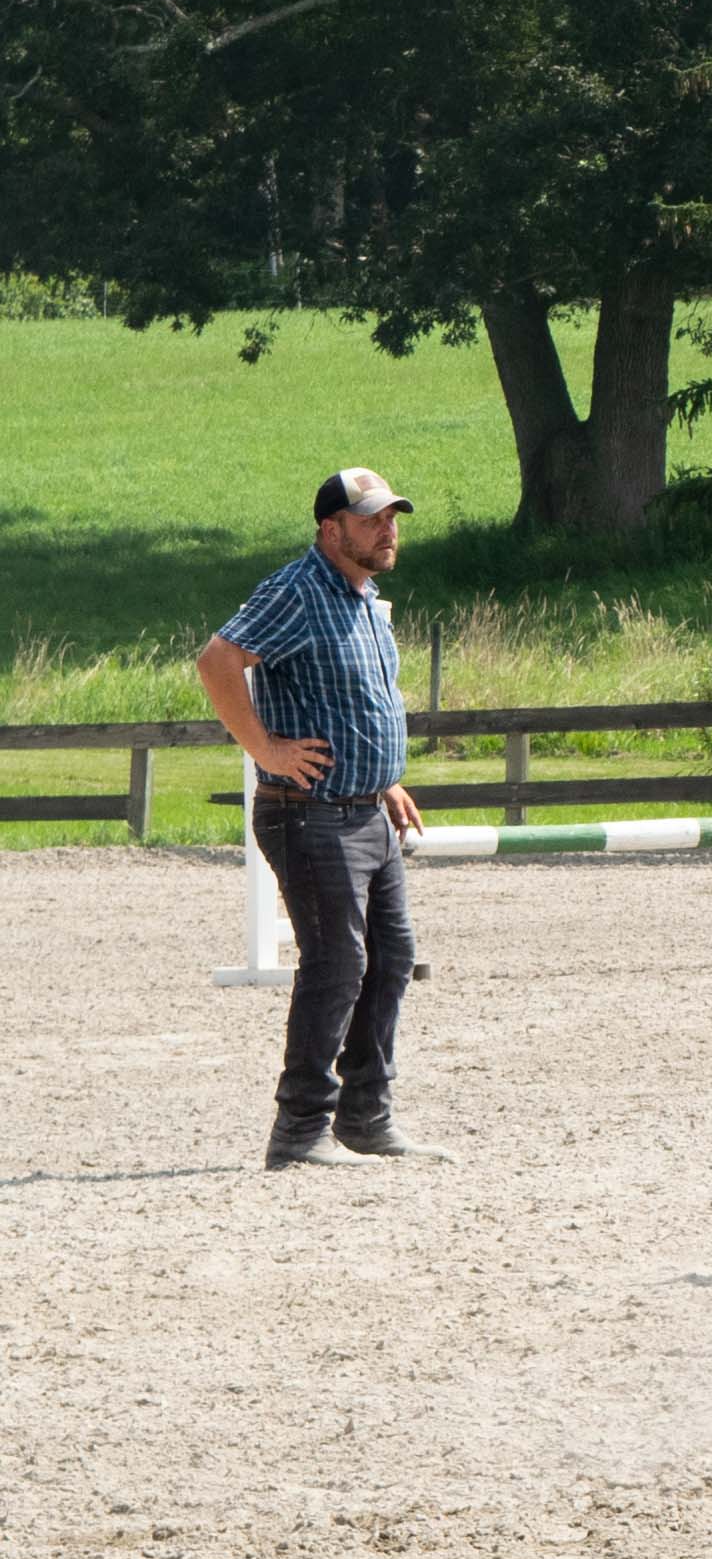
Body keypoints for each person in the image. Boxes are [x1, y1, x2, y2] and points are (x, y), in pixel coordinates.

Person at [196, 468, 440, 1168]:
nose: (388, 530)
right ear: (330, 530)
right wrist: (262, 747)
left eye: (393, 517)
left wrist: (385, 779)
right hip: (308, 814)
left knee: (390, 958)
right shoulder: (297, 591)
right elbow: (218, 660)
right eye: (372, 520)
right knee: (338, 962)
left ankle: (366, 1119)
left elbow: (359, 698)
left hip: (365, 810)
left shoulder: (363, 598)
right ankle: (299, 1131)